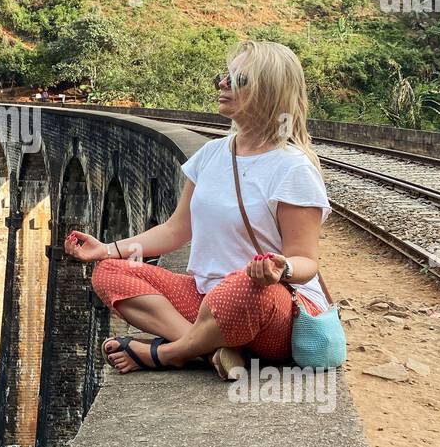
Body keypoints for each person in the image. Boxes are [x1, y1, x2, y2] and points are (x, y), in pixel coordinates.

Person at [64, 40, 331, 379]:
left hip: (267, 306)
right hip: (206, 299)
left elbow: (306, 261)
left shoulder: (293, 168)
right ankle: (210, 351)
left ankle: (171, 353)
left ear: (268, 91)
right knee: (110, 271)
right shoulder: (210, 155)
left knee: (242, 285)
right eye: (224, 76)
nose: (222, 85)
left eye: (238, 80)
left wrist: (281, 268)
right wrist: (108, 248)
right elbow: (177, 229)